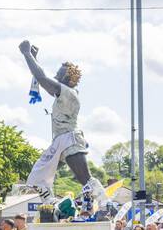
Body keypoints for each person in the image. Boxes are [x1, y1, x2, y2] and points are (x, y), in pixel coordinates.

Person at [17, 40, 104, 209]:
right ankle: (51, 204)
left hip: (70, 139)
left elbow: (43, 78)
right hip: (59, 141)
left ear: (66, 79)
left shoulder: (69, 93)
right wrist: (34, 59)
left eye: (58, 74)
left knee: (85, 178)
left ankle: (105, 204)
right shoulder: (65, 93)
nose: (55, 77)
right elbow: (43, 79)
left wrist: (27, 55)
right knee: (37, 176)